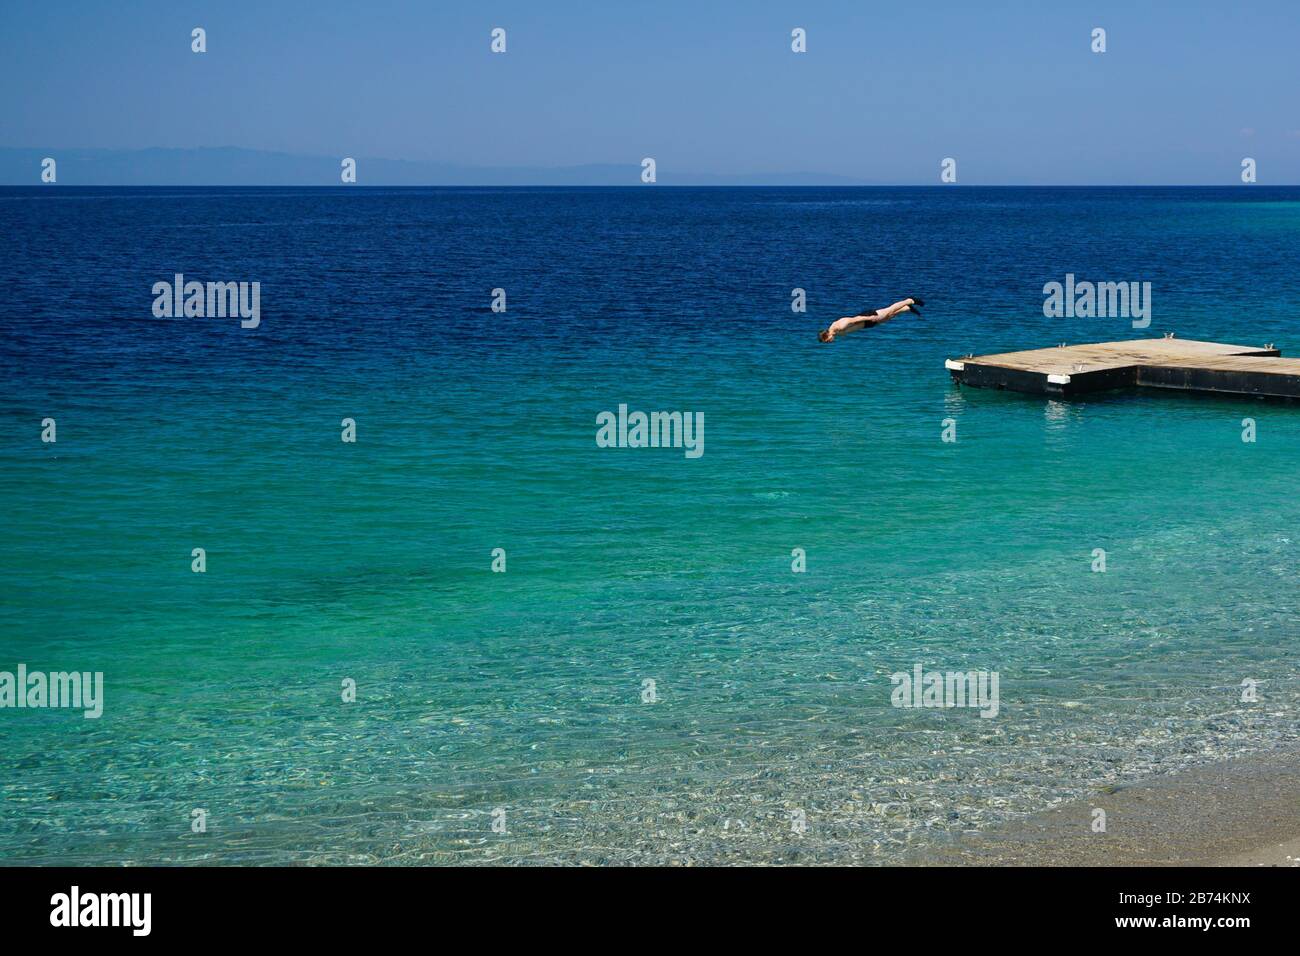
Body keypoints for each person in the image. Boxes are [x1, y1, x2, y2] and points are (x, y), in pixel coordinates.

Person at [818, 297, 923, 343]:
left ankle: (910, 300)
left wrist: (870, 317)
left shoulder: (839, 326)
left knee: (889, 310)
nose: (829, 342)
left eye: (827, 341)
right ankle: (907, 308)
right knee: (888, 317)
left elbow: (854, 319)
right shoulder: (836, 332)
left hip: (867, 318)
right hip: (865, 325)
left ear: (827, 336)